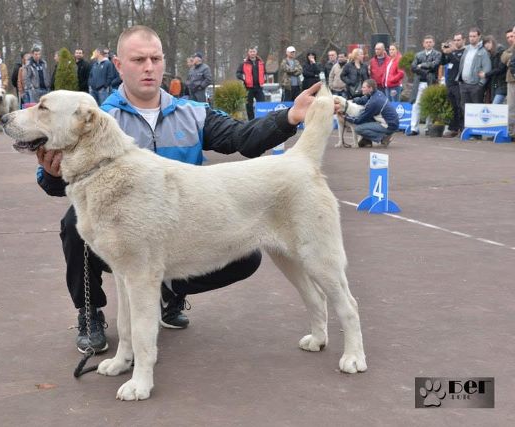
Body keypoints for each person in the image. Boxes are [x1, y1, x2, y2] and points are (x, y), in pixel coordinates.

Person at [36, 25, 318, 354]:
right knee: (74, 224)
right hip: (120, 227)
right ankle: (90, 311)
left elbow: (243, 139)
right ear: (118, 65)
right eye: (138, 59)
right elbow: (57, 183)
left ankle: (169, 292)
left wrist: (291, 117)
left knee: (247, 256)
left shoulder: (192, 113)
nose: (148, 67)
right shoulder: (98, 117)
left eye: (155, 58)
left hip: (178, 226)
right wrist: (53, 174)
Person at [338, 79, 399, 147]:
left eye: (364, 87)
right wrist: (353, 100)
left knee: (358, 129)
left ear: (370, 88)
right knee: (363, 114)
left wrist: (346, 117)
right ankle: (367, 141)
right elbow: (364, 99)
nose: (362, 89)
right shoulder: (377, 93)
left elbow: (359, 120)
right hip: (393, 122)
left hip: (390, 125)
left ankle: (383, 138)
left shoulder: (374, 102)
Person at [456, 27, 491, 131]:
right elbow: (461, 65)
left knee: (476, 109)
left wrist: (480, 85)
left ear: (479, 37)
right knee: (465, 109)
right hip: (464, 84)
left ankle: (476, 132)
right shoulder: (466, 49)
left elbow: (487, 68)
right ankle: (468, 130)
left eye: (474, 36)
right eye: (470, 36)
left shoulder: (483, 51)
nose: (472, 38)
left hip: (476, 85)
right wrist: (460, 80)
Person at [407, 35, 442, 135]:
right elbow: (413, 67)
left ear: (433, 43)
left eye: (430, 42)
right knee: (416, 105)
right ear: (423, 44)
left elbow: (435, 65)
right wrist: (426, 71)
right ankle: (414, 128)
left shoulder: (437, 54)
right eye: (426, 42)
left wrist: (421, 65)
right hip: (419, 83)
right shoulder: (418, 55)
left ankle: (428, 128)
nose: (428, 44)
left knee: (430, 105)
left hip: (431, 83)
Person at [440, 33, 466, 137]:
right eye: (455, 40)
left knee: (460, 107)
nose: (456, 42)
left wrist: (450, 53)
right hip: (449, 84)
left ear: (463, 40)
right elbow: (443, 63)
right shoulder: (452, 52)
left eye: (458, 40)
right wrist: (443, 52)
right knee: (453, 107)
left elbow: (458, 63)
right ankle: (454, 128)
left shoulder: (465, 51)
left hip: (458, 84)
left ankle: (462, 128)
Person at [236, 47, 265, 120]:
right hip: (248, 88)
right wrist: (243, 78)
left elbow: (265, 73)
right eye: (251, 51)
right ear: (248, 53)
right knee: (249, 105)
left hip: (259, 87)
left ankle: (261, 120)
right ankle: (251, 121)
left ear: (256, 52)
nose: (252, 53)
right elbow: (238, 73)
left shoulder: (261, 62)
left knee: (262, 104)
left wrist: (264, 78)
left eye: (254, 51)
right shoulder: (244, 63)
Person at [481, 35, 507, 104]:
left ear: (493, 42)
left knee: (495, 105)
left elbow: (500, 68)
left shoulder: (501, 51)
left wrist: (486, 74)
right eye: (485, 44)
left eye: (488, 42)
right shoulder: (490, 54)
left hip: (502, 84)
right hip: (494, 84)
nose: (487, 45)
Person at [503, 27, 515, 139]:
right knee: (511, 107)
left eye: (512, 35)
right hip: (511, 80)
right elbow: (504, 58)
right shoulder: (510, 49)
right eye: (508, 37)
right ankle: (512, 132)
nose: (511, 38)